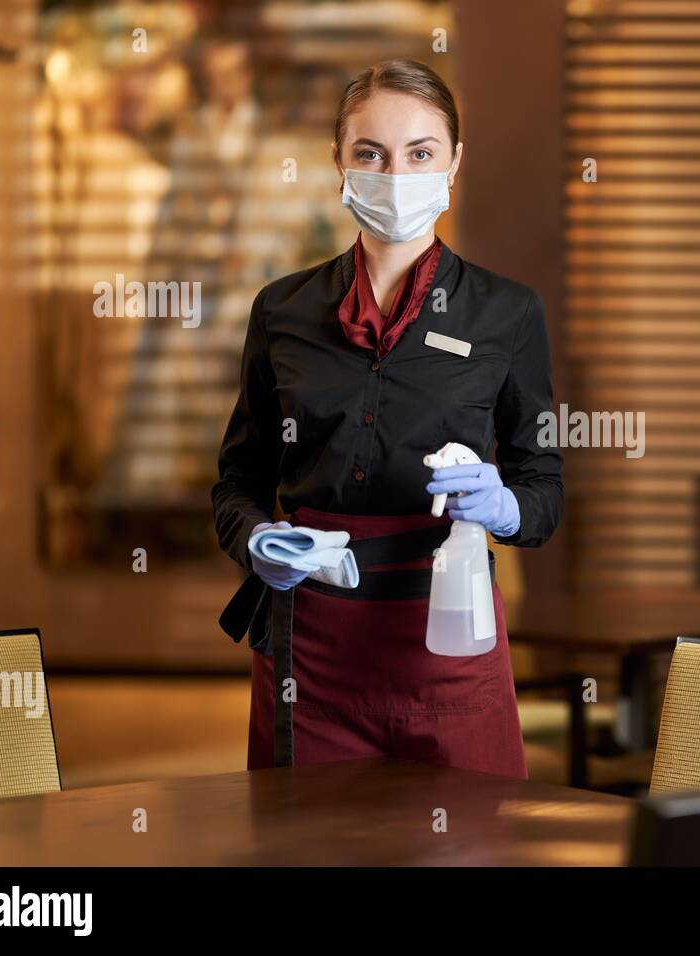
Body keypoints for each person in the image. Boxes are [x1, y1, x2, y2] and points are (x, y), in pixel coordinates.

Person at [212, 59, 562, 777]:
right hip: (311, 650)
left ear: (454, 162)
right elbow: (236, 483)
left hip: (449, 642)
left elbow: (544, 496)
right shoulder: (282, 312)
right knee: (307, 850)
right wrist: (257, 541)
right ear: (338, 161)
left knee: (473, 848)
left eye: (420, 153)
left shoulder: (508, 313)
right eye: (370, 153)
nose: (395, 175)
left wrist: (499, 505)